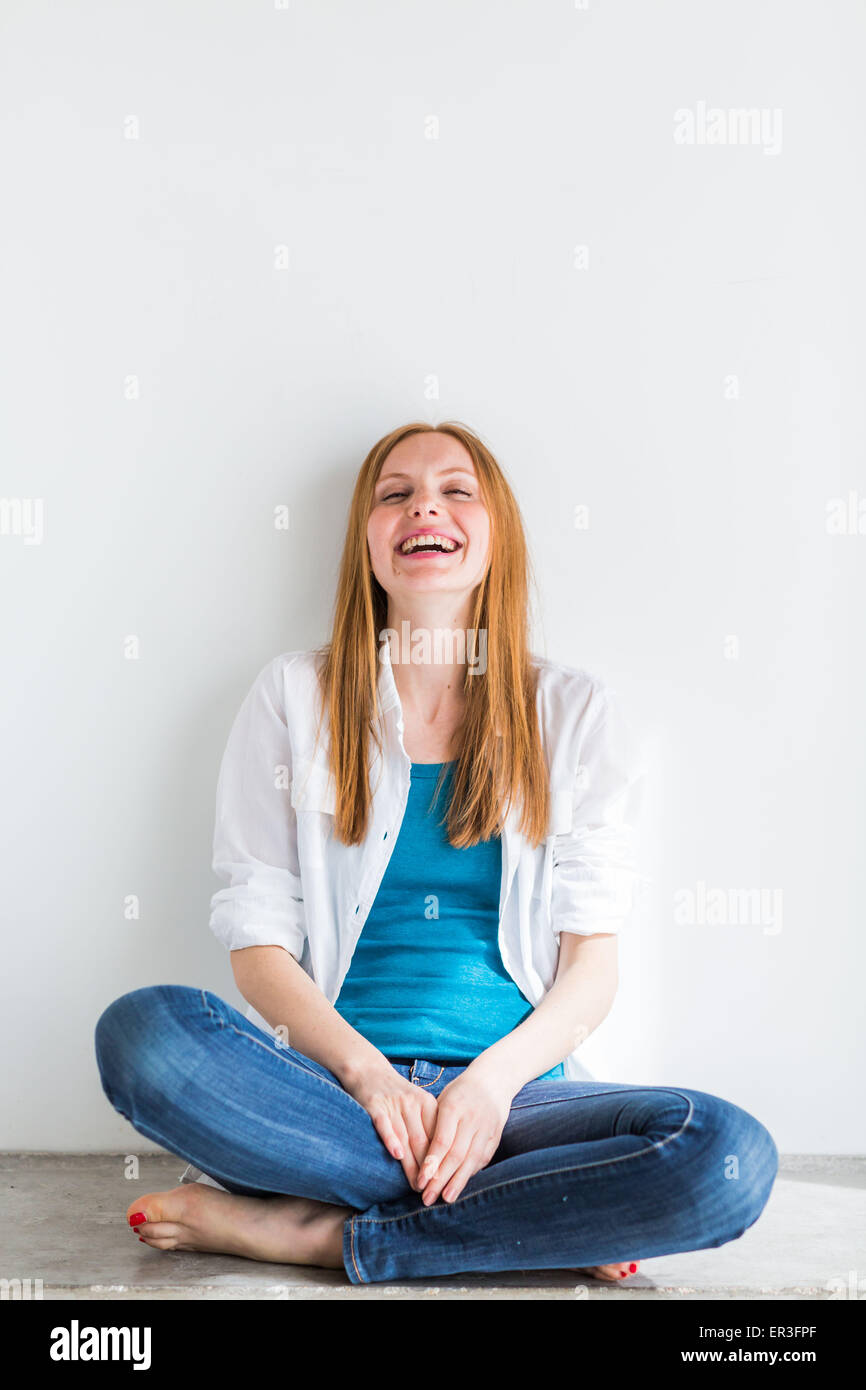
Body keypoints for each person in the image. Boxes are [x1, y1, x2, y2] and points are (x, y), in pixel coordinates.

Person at [94, 421, 778, 1286]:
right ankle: (539, 1214)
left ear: (496, 538)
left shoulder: (573, 713)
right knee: (144, 1035)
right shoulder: (293, 699)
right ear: (368, 542)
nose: (426, 504)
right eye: (396, 492)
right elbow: (259, 945)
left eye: (457, 490)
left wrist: (486, 1092)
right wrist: (373, 1081)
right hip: (333, 1101)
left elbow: (592, 968)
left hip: (520, 1098)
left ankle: (316, 1234)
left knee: (727, 1157)